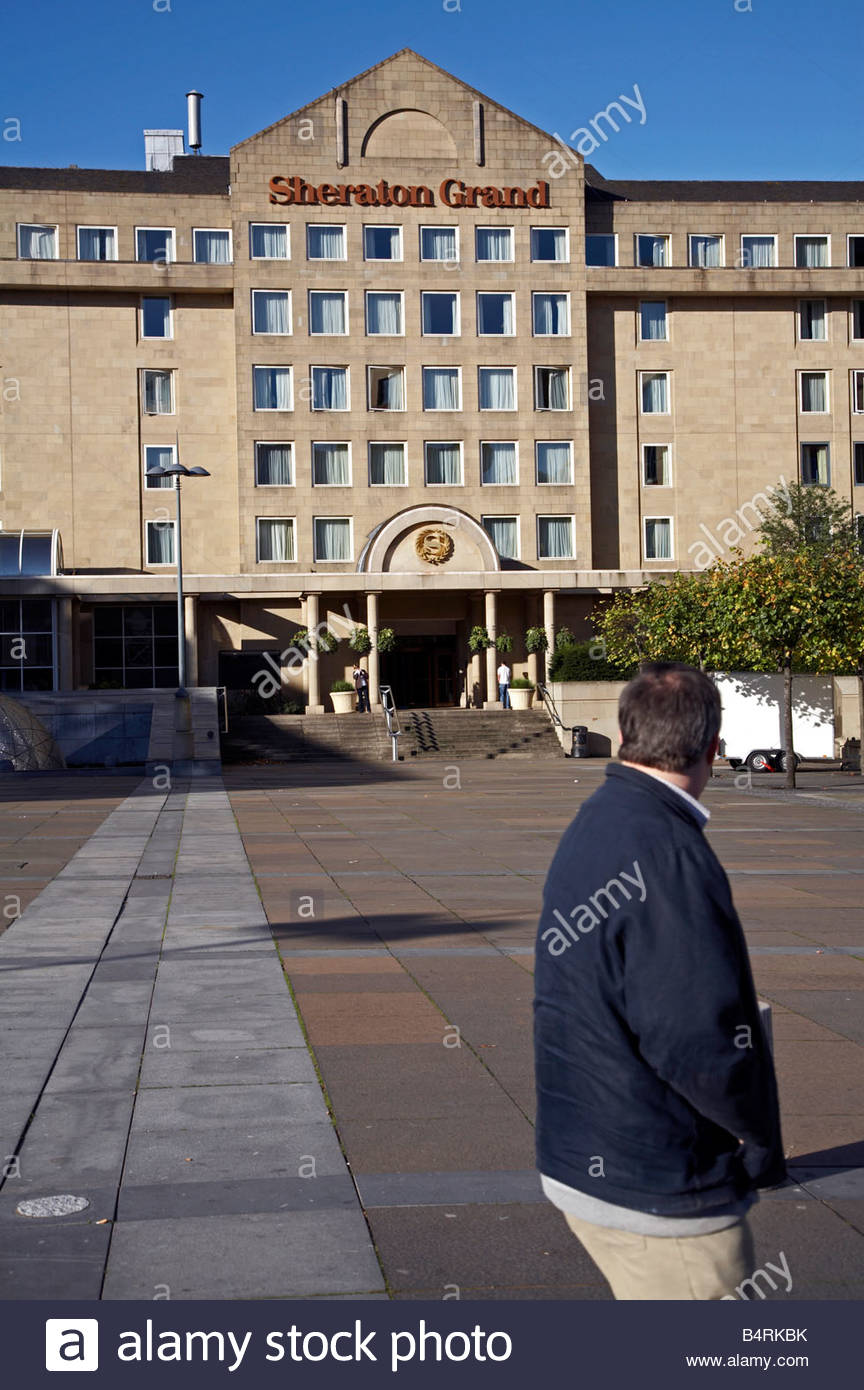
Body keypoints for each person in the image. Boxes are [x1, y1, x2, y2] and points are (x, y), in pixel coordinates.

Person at [534, 662, 785, 1300]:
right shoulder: (670, 854)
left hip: (587, 1151)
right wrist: (759, 1143)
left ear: (624, 736)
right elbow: (697, 1036)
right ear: (713, 749)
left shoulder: (599, 816)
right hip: (658, 1184)